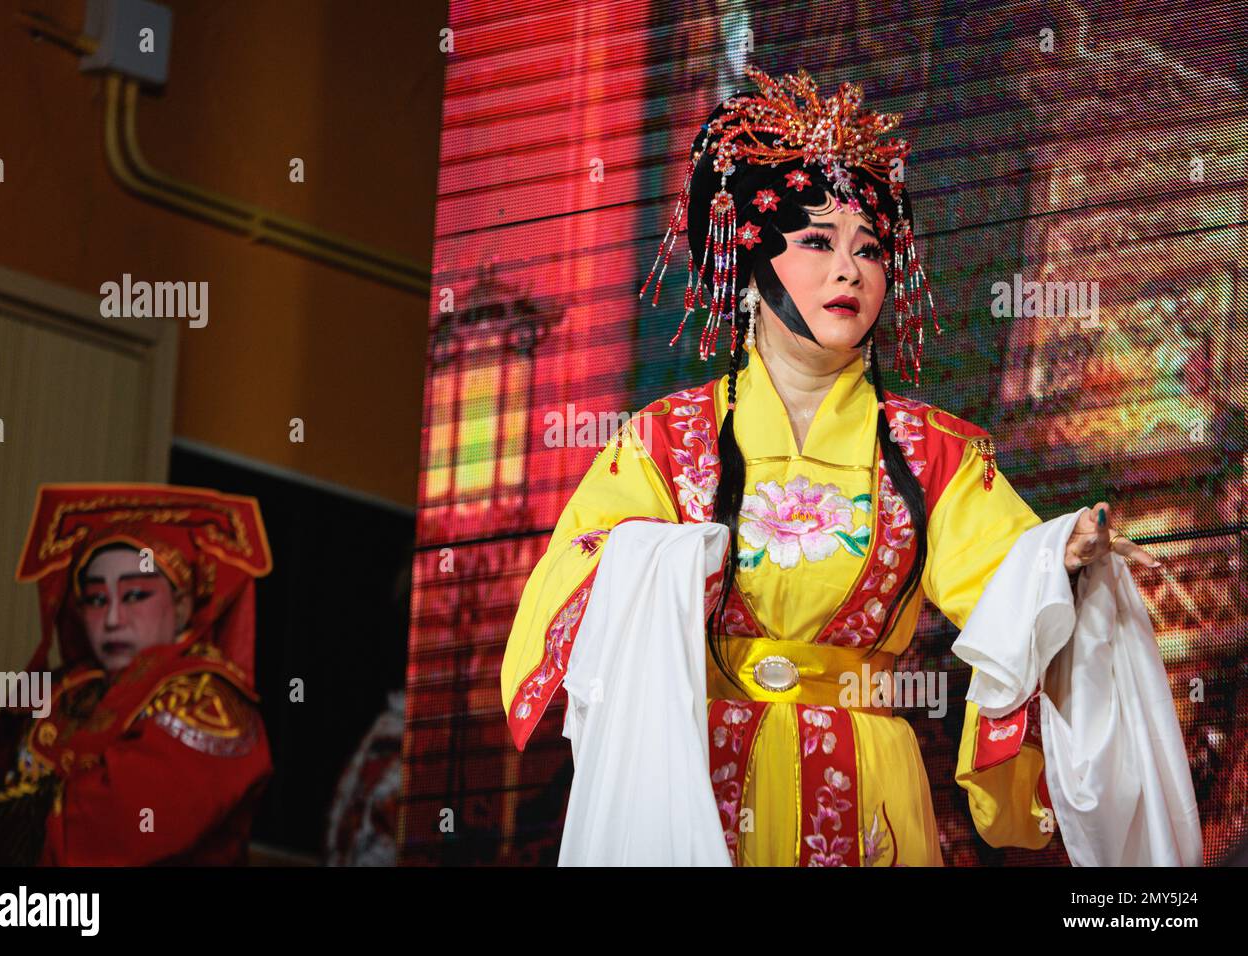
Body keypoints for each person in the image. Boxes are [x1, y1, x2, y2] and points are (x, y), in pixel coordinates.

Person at [500, 66, 1166, 866]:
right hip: (691, 784)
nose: (850, 270)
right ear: (752, 263)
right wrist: (670, 563)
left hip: (867, 787)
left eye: (869, 250)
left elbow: (1006, 583)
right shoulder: (664, 441)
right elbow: (570, 582)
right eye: (817, 242)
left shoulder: (933, 453)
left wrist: (1057, 563)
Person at [0, 483, 274, 866]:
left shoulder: (208, 701)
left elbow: (109, 833)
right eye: (97, 599)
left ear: (183, 605)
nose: (114, 619)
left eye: (136, 595)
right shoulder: (57, 691)